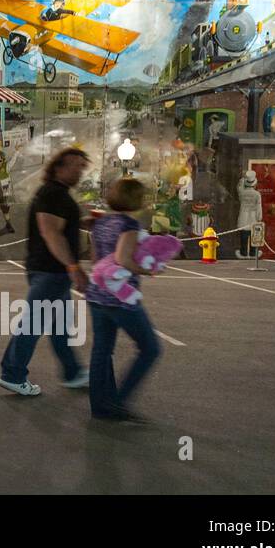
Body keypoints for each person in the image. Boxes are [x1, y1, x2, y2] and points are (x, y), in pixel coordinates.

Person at [0, 147, 91, 397]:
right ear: (59, 167)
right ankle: (12, 374)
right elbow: (51, 232)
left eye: (83, 166)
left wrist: (82, 223)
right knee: (34, 323)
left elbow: (57, 225)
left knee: (60, 325)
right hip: (50, 271)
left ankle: (72, 372)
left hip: (52, 271)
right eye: (76, 165)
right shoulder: (54, 194)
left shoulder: (55, 194)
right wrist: (73, 266)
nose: (80, 171)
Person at [86, 177, 163, 423]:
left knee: (101, 351)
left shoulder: (100, 224)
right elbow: (123, 260)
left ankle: (100, 406)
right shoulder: (129, 225)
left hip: (97, 294)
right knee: (150, 348)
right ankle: (119, 401)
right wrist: (147, 270)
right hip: (121, 298)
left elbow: (95, 259)